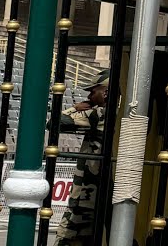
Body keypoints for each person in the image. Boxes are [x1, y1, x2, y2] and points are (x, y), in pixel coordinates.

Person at [54, 69, 108, 246]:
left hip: (85, 195)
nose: (89, 96)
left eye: (93, 91)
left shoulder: (98, 114)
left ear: (105, 93)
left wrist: (75, 108)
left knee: (66, 237)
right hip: (106, 193)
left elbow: (54, 122)